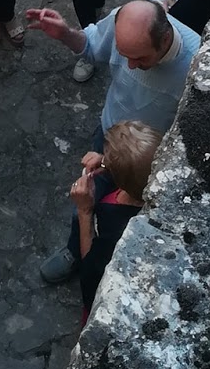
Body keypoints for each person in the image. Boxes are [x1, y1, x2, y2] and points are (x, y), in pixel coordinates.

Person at [26, 0, 199, 283]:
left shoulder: (196, 64)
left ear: (165, 39)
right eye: (124, 55)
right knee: (86, 198)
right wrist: (66, 34)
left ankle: (106, 265)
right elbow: (93, 46)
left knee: (121, 224)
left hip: (147, 164)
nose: (129, 65)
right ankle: (75, 251)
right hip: (108, 137)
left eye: (140, 59)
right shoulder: (123, 21)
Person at [68, 120, 162, 317]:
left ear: (122, 180)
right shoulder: (152, 179)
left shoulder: (119, 228)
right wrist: (107, 162)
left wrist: (85, 212)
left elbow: (92, 274)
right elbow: (140, 170)